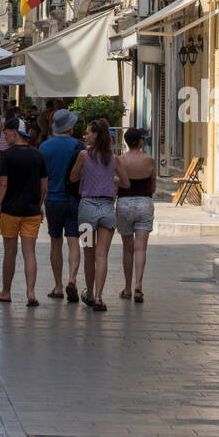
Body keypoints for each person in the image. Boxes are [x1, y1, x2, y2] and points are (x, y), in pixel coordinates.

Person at [69, 118, 130, 312]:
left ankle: (89, 293)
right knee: (102, 254)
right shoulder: (114, 159)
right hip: (106, 208)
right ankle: (99, 296)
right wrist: (111, 178)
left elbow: (73, 177)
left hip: (86, 208)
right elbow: (127, 183)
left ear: (95, 135)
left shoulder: (84, 155)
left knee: (88, 253)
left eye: (88, 133)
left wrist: (88, 177)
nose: (86, 135)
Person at [0, 119, 47, 306]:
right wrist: (38, 205)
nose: (4, 137)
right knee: (30, 252)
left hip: (11, 211)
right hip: (31, 211)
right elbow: (44, 186)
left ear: (14, 132)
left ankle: (6, 291)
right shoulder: (38, 155)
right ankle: (31, 292)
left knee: (10, 253)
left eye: (6, 133)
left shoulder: (8, 155)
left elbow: (2, 184)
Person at [40, 109, 82, 301]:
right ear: (70, 127)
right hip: (74, 200)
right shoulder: (80, 146)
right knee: (74, 240)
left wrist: (39, 203)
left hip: (53, 200)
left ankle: (57, 286)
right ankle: (72, 278)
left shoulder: (45, 147)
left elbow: (42, 179)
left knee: (55, 241)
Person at [115, 127, 157, 303]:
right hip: (144, 203)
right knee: (141, 248)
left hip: (124, 204)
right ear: (140, 141)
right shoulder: (149, 160)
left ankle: (127, 287)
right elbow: (153, 185)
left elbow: (118, 184)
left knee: (128, 248)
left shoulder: (120, 160)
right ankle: (138, 284)